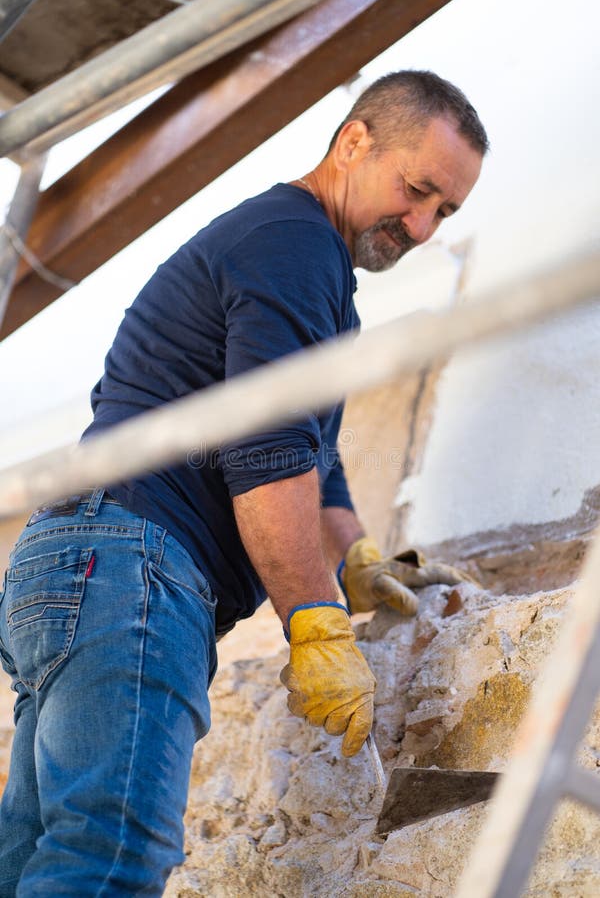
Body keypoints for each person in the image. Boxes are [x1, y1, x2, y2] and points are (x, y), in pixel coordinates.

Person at [0, 70, 488, 895]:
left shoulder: (303, 264)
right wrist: (314, 622)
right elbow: (267, 449)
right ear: (354, 142)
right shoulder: (295, 245)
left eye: (444, 211)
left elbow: (310, 450)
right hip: (130, 568)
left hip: (83, 564)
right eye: (415, 191)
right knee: (111, 859)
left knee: (39, 858)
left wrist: (355, 555)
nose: (420, 226)